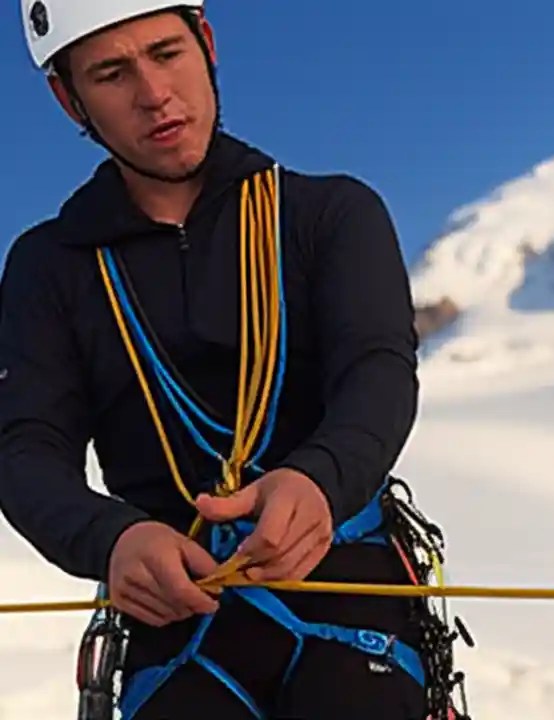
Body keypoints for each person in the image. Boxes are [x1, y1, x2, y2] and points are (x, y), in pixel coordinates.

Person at [1, 2, 468, 718]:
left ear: (206, 44)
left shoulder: (327, 216)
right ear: (69, 99)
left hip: (344, 585)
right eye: (112, 73)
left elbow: (377, 372)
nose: (154, 93)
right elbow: (26, 447)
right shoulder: (51, 267)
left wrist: (318, 481)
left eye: (166, 53)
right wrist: (112, 538)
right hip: (174, 608)